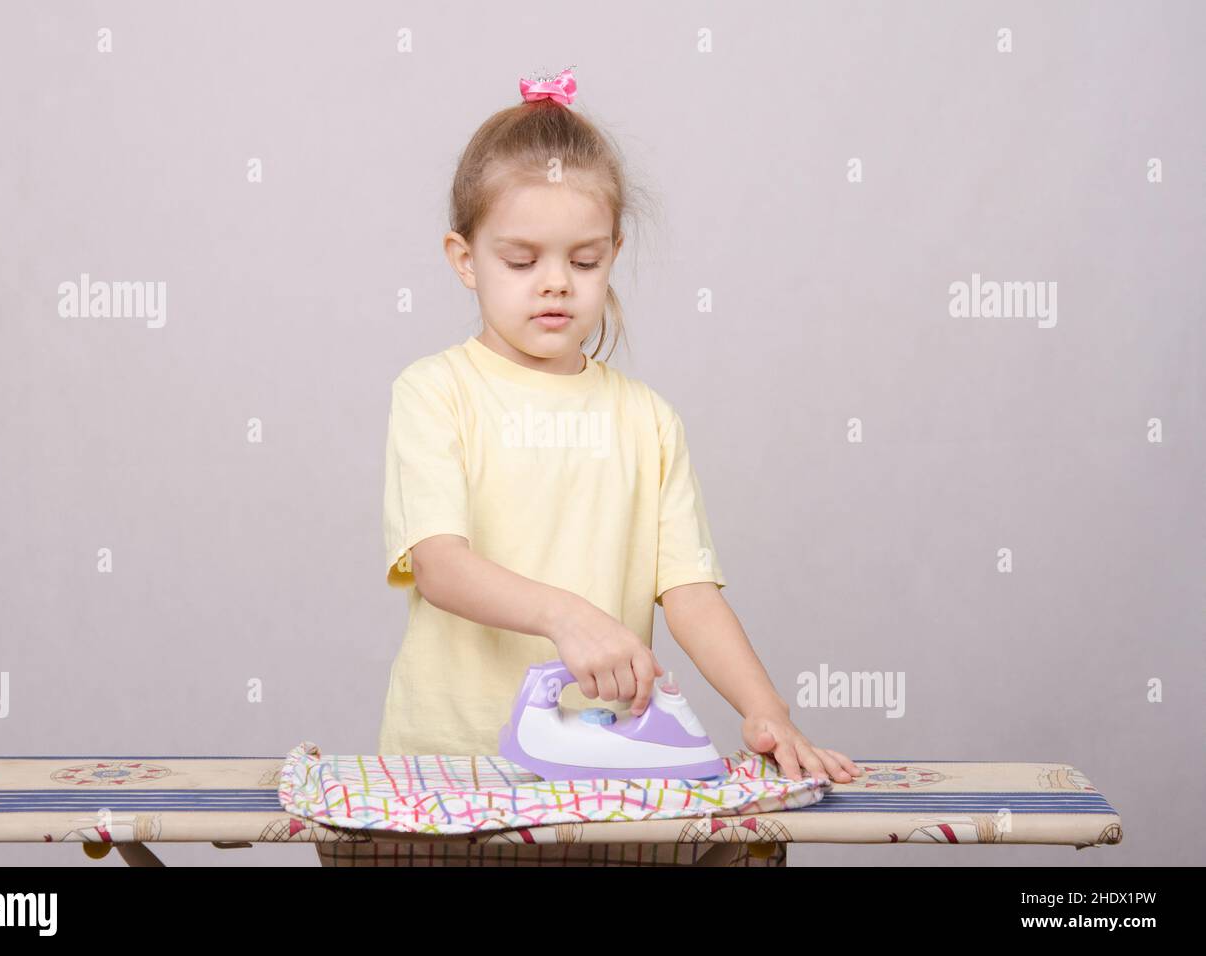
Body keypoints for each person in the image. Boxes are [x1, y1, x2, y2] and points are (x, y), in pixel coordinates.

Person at [360, 68, 861, 867]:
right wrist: (570, 616)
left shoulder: (647, 420)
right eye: (521, 260)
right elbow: (440, 566)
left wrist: (765, 711)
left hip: (606, 791)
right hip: (451, 772)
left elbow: (690, 592)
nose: (555, 282)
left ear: (614, 253)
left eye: (584, 261)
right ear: (464, 257)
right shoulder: (435, 394)